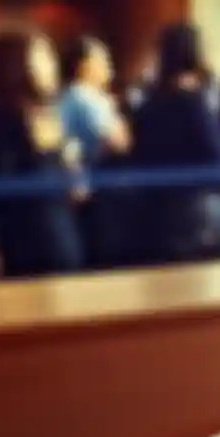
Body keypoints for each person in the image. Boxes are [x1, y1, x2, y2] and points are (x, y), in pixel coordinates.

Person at [0, 31, 84, 278]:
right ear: (20, 65)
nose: (53, 66)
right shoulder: (21, 121)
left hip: (37, 241)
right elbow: (73, 188)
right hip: (42, 242)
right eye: (44, 58)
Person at [130, 23, 220, 264]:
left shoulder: (148, 104)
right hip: (199, 207)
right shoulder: (195, 102)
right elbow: (215, 149)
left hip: (159, 210)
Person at [58, 36, 131, 268]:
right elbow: (118, 141)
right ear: (83, 64)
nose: (108, 66)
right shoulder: (86, 98)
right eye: (102, 60)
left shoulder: (68, 97)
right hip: (98, 191)